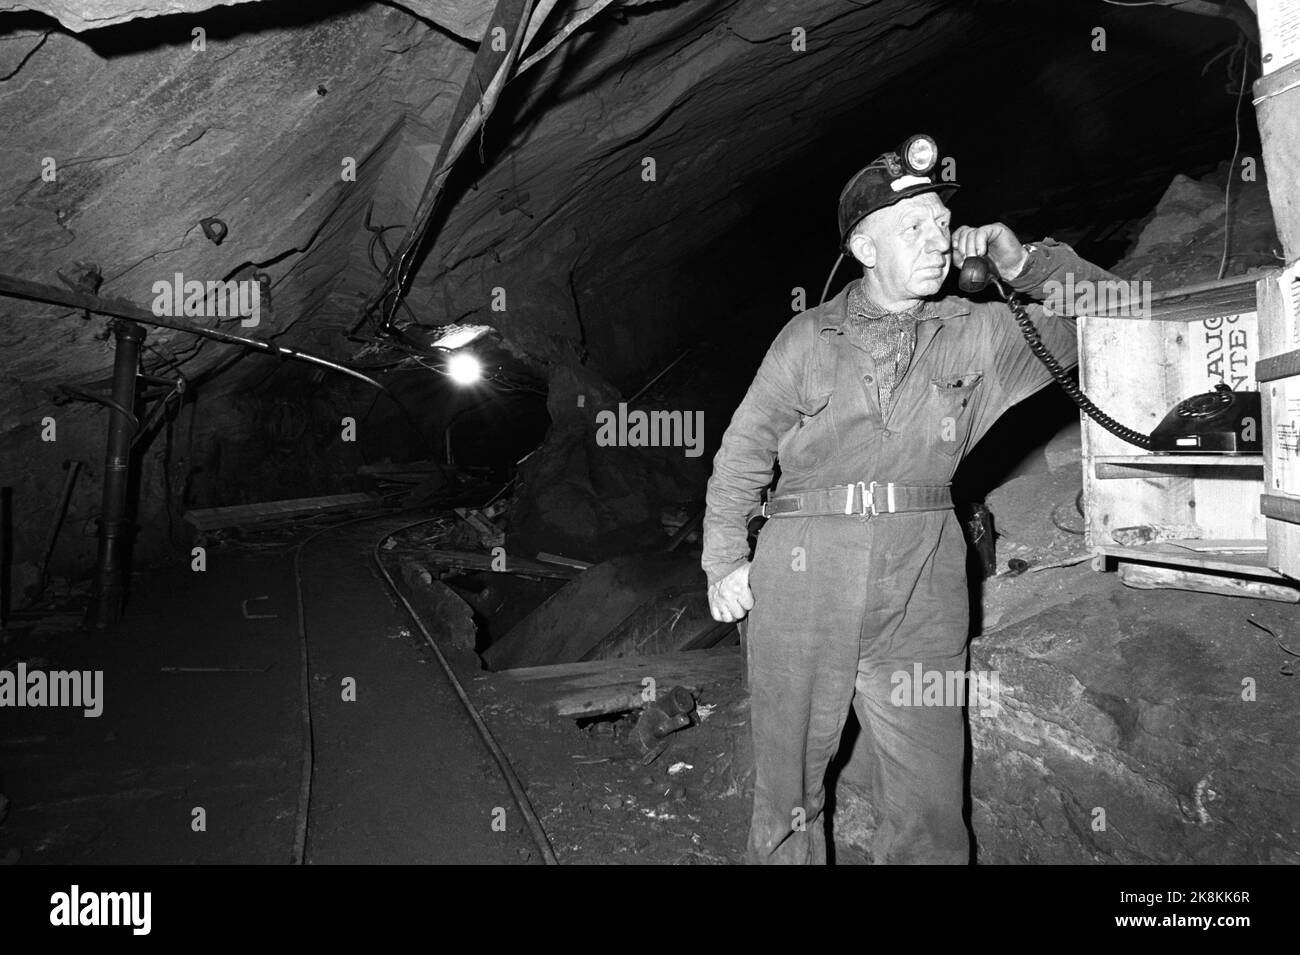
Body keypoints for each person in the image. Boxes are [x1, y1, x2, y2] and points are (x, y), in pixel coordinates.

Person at [702, 134, 1119, 864]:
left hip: (924, 572)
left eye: (939, 224)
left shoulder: (978, 332)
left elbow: (1108, 310)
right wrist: (724, 560)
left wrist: (1028, 265)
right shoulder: (806, 337)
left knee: (930, 800)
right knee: (789, 794)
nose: (936, 241)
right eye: (912, 228)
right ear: (865, 245)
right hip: (804, 569)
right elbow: (742, 451)